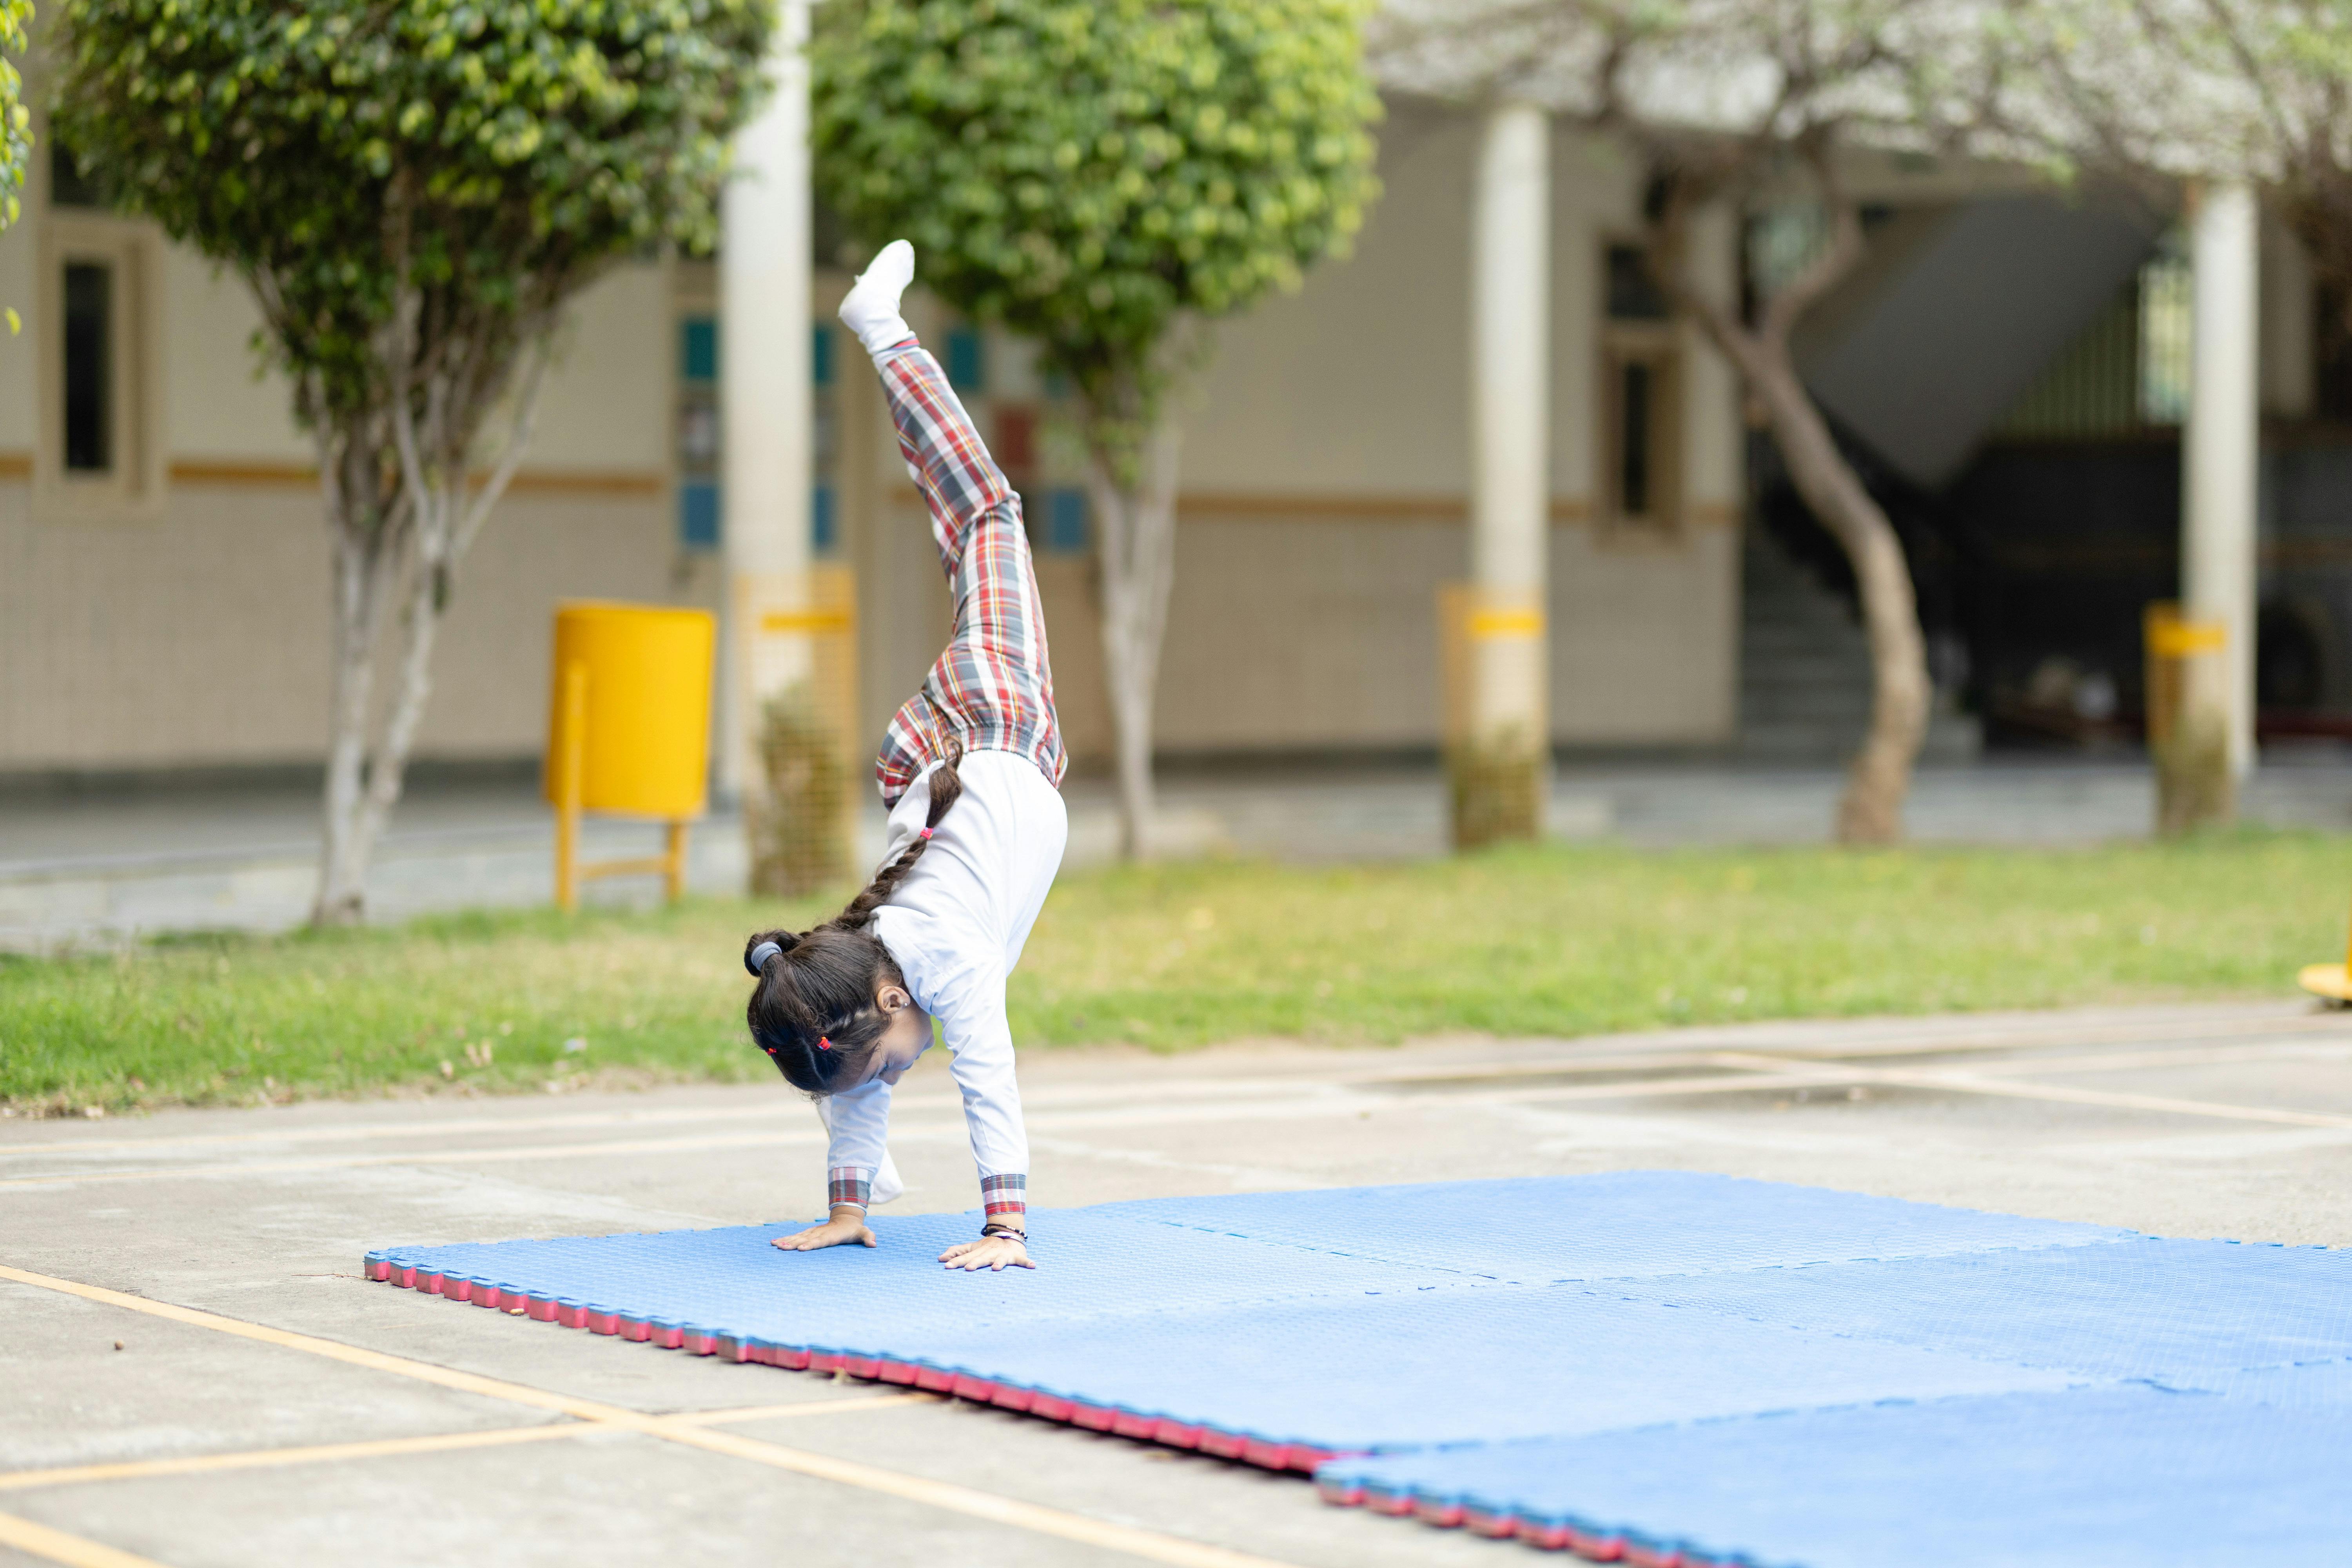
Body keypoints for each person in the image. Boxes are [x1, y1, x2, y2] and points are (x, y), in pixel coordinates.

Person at [742, 241, 1067, 1274]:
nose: (881, 1078)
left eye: (870, 1065)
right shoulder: (858, 975)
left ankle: (881, 324)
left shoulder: (943, 969)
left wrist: (1006, 1229)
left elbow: (989, 1082)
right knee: (972, 526)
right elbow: (855, 1090)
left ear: (887, 1004)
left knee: (987, 514)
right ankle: (879, 330)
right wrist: (845, 1209)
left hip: (990, 719)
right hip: (928, 771)